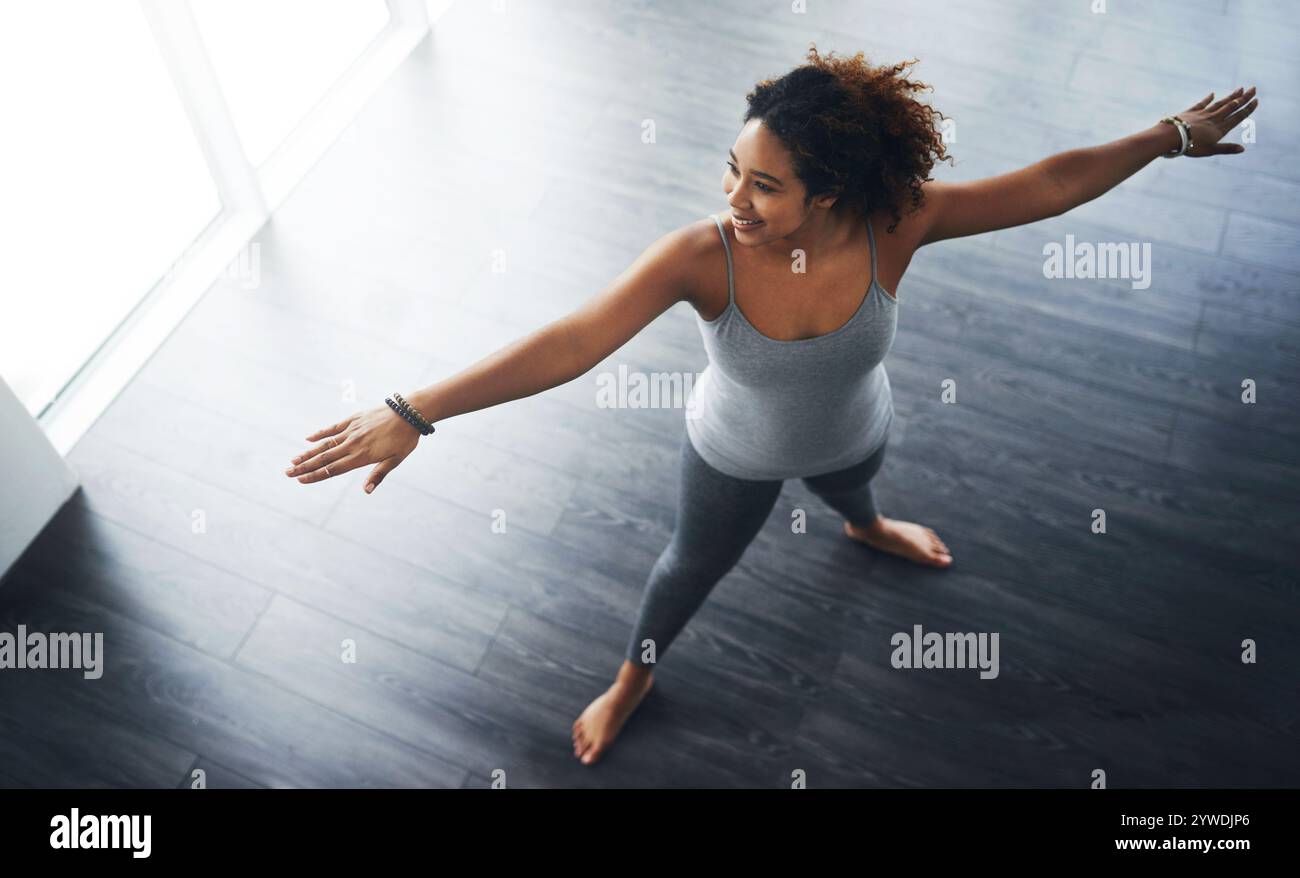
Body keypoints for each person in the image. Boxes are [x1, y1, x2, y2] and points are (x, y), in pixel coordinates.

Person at [283, 47, 1258, 767]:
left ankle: (866, 524)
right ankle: (635, 676)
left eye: (764, 184)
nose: (733, 196)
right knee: (682, 572)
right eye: (731, 169)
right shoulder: (700, 255)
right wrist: (415, 408)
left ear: (831, 191)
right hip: (731, 457)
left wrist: (1168, 137)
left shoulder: (898, 220)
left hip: (855, 429)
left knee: (856, 486)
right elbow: (575, 341)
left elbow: (1045, 184)